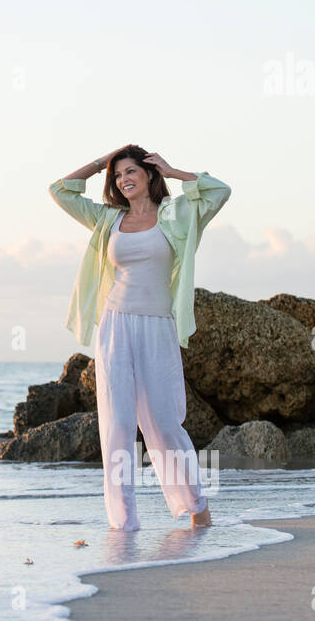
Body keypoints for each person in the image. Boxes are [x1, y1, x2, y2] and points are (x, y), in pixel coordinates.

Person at [48, 145, 231, 531]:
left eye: (130, 171)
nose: (123, 180)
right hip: (115, 325)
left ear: (149, 174)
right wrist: (102, 161)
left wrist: (174, 171)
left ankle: (196, 506)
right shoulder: (107, 219)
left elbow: (219, 191)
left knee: (164, 424)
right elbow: (60, 190)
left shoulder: (177, 214)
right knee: (116, 426)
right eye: (117, 176)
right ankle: (124, 523)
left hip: (157, 326)